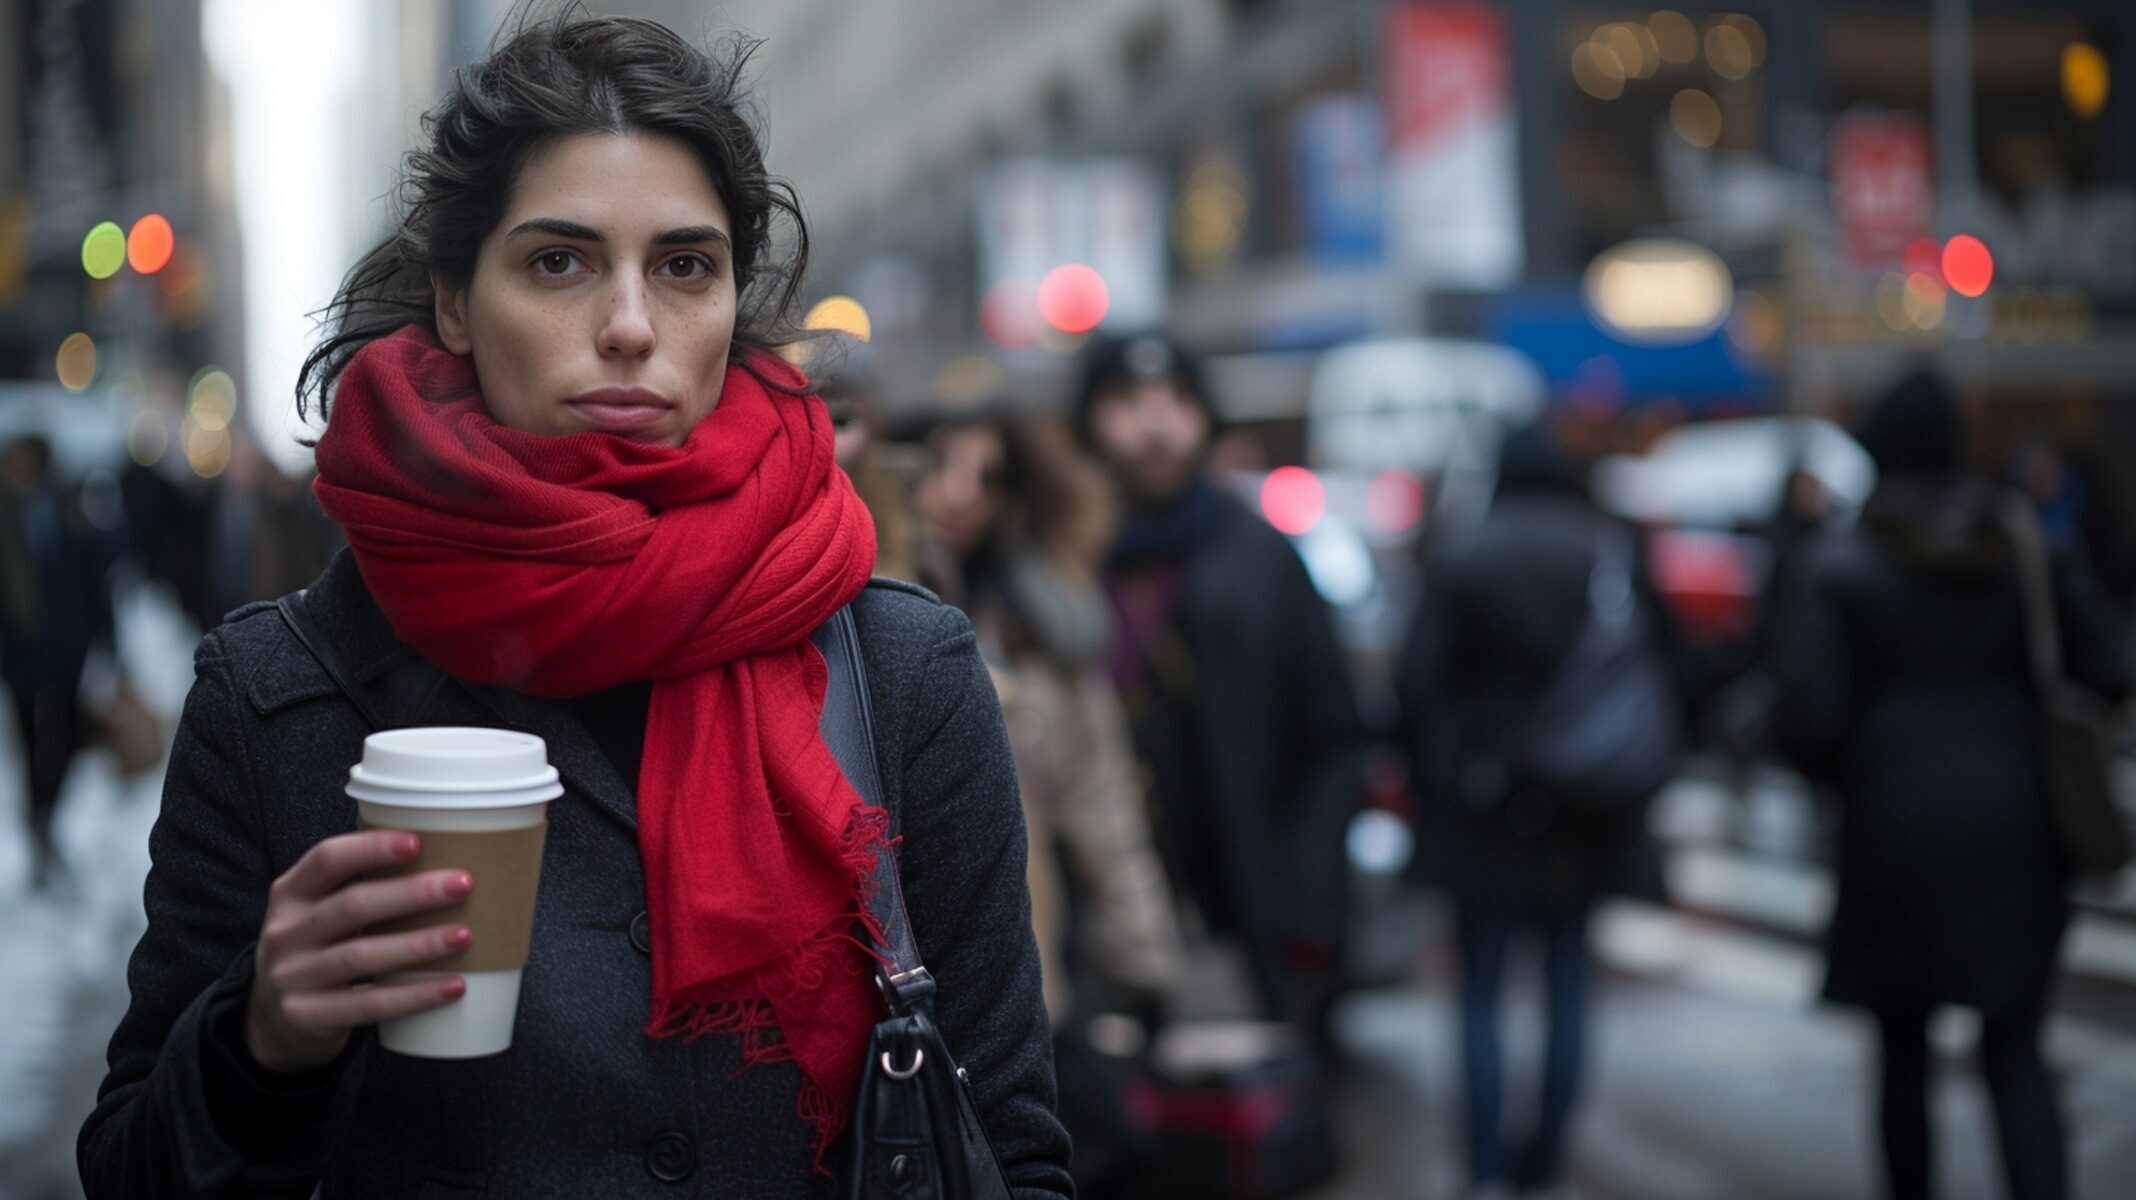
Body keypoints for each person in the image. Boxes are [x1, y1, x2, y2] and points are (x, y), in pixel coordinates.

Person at [77, 16, 1070, 1198]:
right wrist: (258, 1043)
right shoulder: (277, 694)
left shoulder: (902, 670)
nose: (632, 326)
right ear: (455, 300)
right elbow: (131, 1167)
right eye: (560, 262)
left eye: (685, 267)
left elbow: (1010, 1150)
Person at [1773, 371, 2129, 1200]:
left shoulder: (1847, 560)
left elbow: (1807, 718)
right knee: (2017, 1051)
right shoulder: (2026, 548)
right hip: (2017, 827)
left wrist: (1861, 768)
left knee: (1903, 1057)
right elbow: (2106, 669)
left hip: (1891, 830)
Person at [1393, 423, 1682, 1200]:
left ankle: (1486, 1168)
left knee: (1479, 994)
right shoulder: (1608, 551)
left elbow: (1416, 688)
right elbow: (1669, 670)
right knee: (1568, 987)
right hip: (1586, 810)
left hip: (1484, 805)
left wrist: (1448, 774)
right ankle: (1545, 1164)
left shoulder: (1463, 555)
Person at [911, 404, 1184, 1197]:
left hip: (1028, 965)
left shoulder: (1044, 621)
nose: (961, 492)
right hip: (902, 976)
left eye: (989, 477)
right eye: (939, 464)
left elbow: (1104, 802)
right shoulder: (866, 607)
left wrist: (1145, 961)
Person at [1072, 331, 1368, 1031]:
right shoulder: (1059, 562)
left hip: (1241, 915)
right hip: (1096, 923)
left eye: (1178, 400)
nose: (1155, 425)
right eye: (1128, 401)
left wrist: (1308, 904)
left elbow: (1334, 740)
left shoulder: (1259, 556)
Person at [0, 434, 118, 892]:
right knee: (31, 745)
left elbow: (94, 575)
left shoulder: (65, 507)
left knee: (70, 735)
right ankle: (38, 827)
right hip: (21, 656)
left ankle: (46, 815)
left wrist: (105, 638)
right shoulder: (7, 515)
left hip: (67, 649)